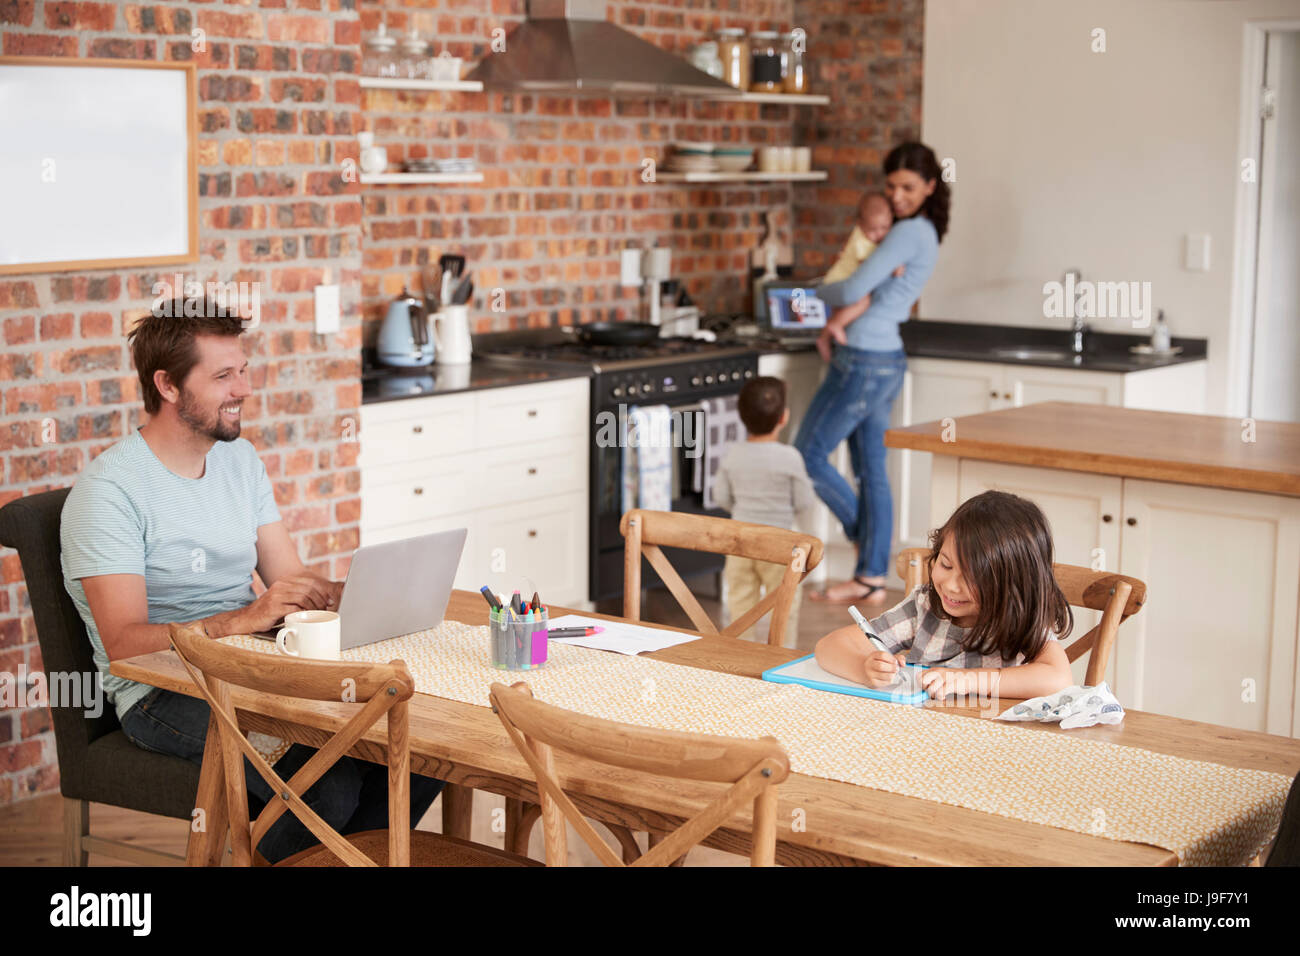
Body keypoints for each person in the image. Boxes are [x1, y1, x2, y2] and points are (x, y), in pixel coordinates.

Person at [60, 298, 442, 863]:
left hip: (250, 662)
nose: (242, 388)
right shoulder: (109, 493)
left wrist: (362, 591)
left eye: (242, 369)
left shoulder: (239, 463)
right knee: (329, 785)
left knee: (418, 750)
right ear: (167, 386)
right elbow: (123, 645)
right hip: (164, 691)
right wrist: (240, 620)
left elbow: (290, 581)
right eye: (222, 376)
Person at [795, 141, 951, 605]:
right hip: (883, 358)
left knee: (809, 454)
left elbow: (857, 285)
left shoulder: (909, 233)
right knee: (872, 472)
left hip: (864, 358)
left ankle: (868, 548)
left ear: (929, 186)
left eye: (907, 186)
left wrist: (819, 290)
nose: (897, 195)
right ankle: (871, 577)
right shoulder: (922, 232)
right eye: (890, 186)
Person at [814, 491, 1074, 701]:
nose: (950, 586)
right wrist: (864, 667)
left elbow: (1059, 679)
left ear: (1013, 584)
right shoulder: (925, 608)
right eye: (946, 565)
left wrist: (970, 680)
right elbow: (828, 647)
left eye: (972, 578)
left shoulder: (1020, 620)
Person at [713, 377, 816, 642]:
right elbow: (804, 500)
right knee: (785, 606)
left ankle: (739, 659)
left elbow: (721, 496)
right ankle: (781, 659)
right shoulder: (790, 457)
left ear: (742, 416)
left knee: (740, 607)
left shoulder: (733, 454)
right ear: (783, 417)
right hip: (781, 546)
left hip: (740, 542)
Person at [820, 192, 895, 284]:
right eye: (872, 229)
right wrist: (893, 268)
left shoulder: (867, 233)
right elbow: (868, 268)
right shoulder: (860, 241)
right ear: (860, 225)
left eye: (884, 227)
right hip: (838, 281)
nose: (879, 233)